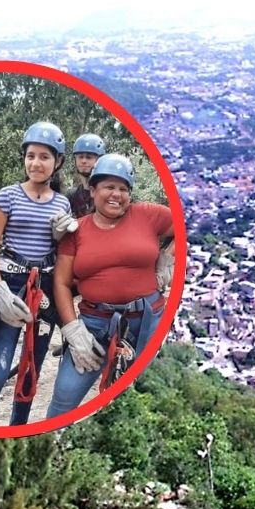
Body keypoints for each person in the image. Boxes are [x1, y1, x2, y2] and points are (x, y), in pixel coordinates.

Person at [46, 153, 175, 418]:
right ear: (92, 190)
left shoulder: (148, 215)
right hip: (95, 323)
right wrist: (72, 328)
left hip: (147, 320)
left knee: (139, 405)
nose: (116, 194)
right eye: (109, 187)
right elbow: (60, 282)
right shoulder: (76, 230)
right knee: (64, 395)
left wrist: (169, 257)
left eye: (123, 189)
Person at [0, 121, 76, 425]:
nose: (36, 163)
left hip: (44, 285)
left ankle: (17, 429)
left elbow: (62, 252)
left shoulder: (62, 203)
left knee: (32, 365)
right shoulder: (8, 196)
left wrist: (62, 236)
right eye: (31, 155)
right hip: (12, 280)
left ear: (57, 162)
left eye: (44, 157)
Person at [66, 133, 105, 217]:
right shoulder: (71, 196)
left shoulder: (107, 193)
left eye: (89, 157)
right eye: (80, 157)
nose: (83, 161)